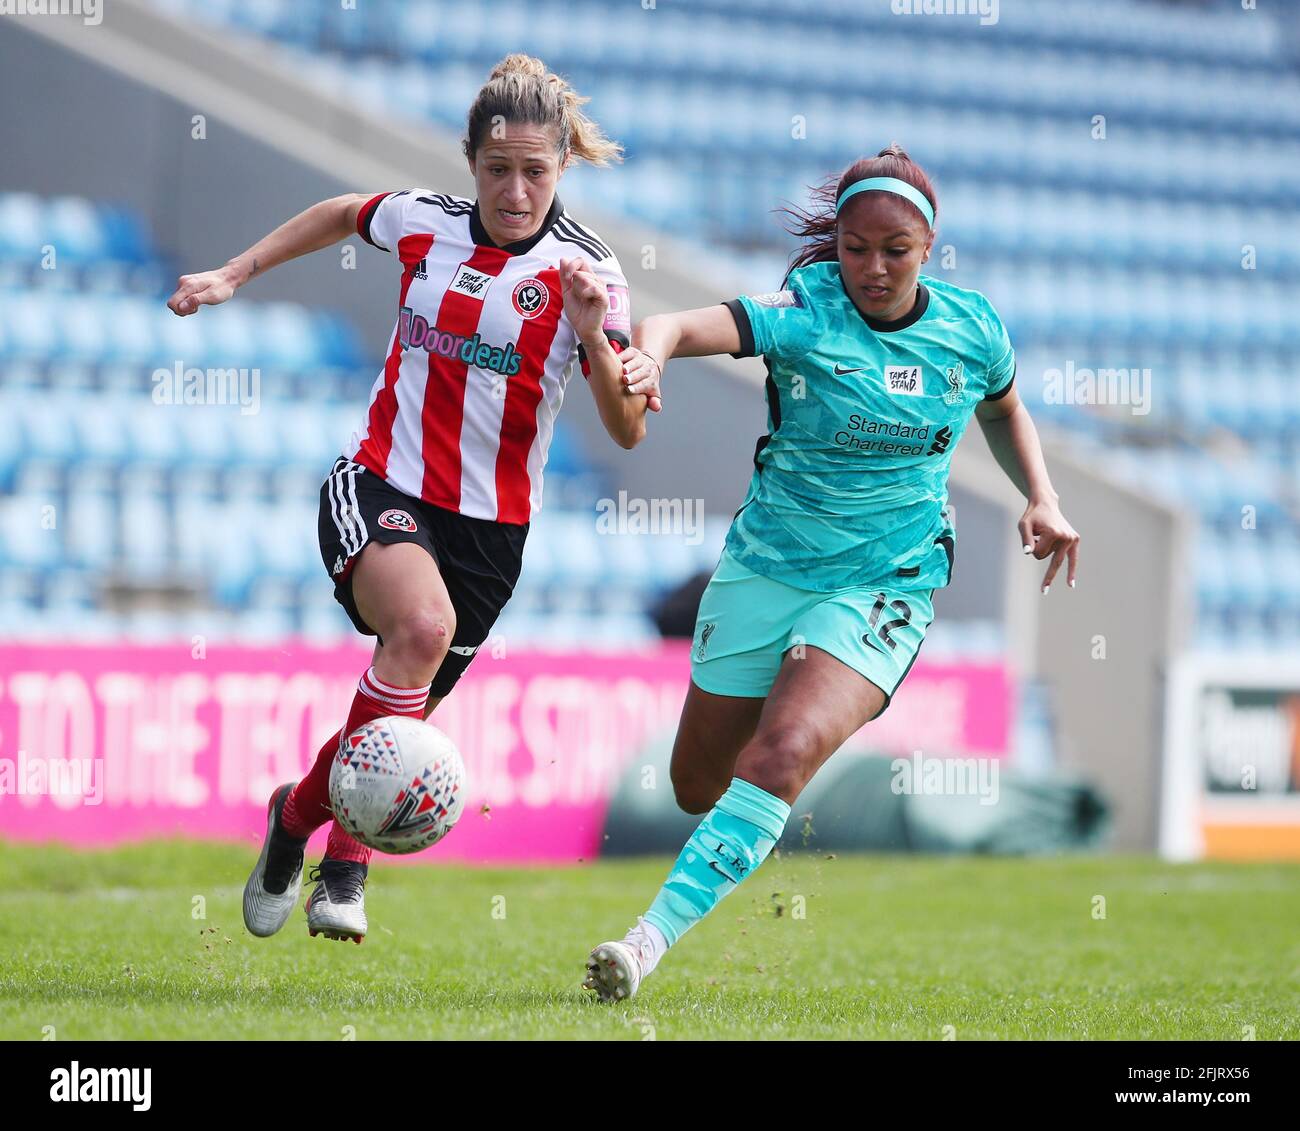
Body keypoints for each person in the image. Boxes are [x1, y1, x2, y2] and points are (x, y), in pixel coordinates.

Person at [166, 54, 655, 944]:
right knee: (420, 632)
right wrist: (236, 273)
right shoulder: (424, 222)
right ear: (470, 161)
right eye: (498, 169)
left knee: (391, 728)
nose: (514, 190)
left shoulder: (592, 275)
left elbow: (628, 429)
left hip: (490, 539)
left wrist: (594, 339)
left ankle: (290, 818)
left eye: (535, 172)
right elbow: (340, 213)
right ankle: (347, 868)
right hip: (380, 484)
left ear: (561, 171)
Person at [583, 144, 1080, 1000]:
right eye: (855, 247)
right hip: (767, 567)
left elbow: (1003, 406)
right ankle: (733, 831)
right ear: (836, 243)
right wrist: (648, 353)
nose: (873, 268)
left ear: (929, 245)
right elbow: (677, 324)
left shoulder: (972, 327)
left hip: (888, 580)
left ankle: (643, 942)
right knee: (696, 782)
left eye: (895, 250)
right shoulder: (804, 311)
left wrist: (1040, 493)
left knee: (784, 753)